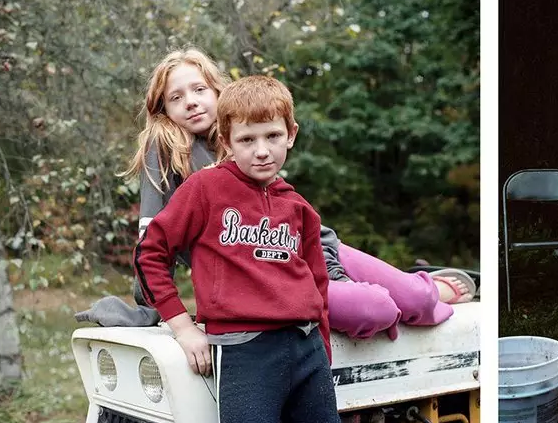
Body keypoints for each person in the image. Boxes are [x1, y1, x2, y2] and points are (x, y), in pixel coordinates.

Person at [76, 47, 472, 338]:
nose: (191, 102)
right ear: (162, 108)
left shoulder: (247, 137)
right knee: (374, 306)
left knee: (420, 303)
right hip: (271, 273)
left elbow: (293, 214)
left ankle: (427, 285)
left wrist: (332, 269)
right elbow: (150, 236)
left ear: (218, 92)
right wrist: (155, 309)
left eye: (199, 89)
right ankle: (388, 294)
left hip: (318, 248)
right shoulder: (164, 150)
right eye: (176, 97)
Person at [135, 75, 343, 423]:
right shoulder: (205, 188)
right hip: (245, 352)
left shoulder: (299, 207)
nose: (261, 150)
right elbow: (149, 253)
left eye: (272, 136)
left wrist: (322, 346)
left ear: (291, 134)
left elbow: (318, 282)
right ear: (226, 140)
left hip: (307, 349)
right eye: (247, 139)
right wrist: (183, 327)